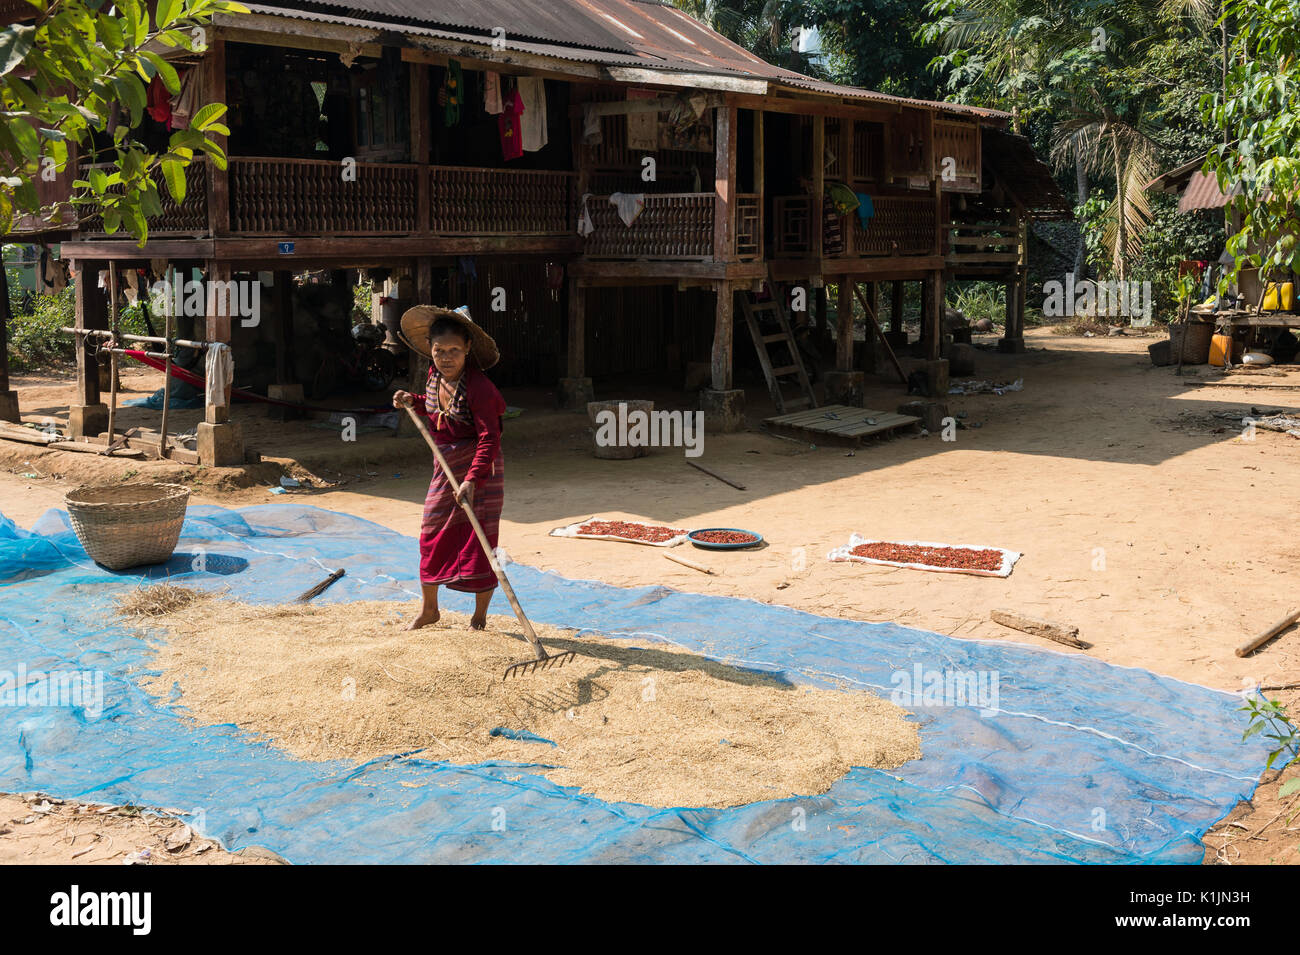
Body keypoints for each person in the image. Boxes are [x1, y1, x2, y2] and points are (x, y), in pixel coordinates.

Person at [392, 305, 506, 630]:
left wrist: (472, 479)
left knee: (479, 538)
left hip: (481, 468)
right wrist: (410, 400)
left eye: (454, 350)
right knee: (431, 530)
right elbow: (433, 408)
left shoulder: (480, 389)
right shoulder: (433, 376)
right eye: (439, 350)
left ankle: (480, 617)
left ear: (468, 349)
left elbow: (489, 437)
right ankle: (430, 610)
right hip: (445, 467)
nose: (446, 358)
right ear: (430, 348)